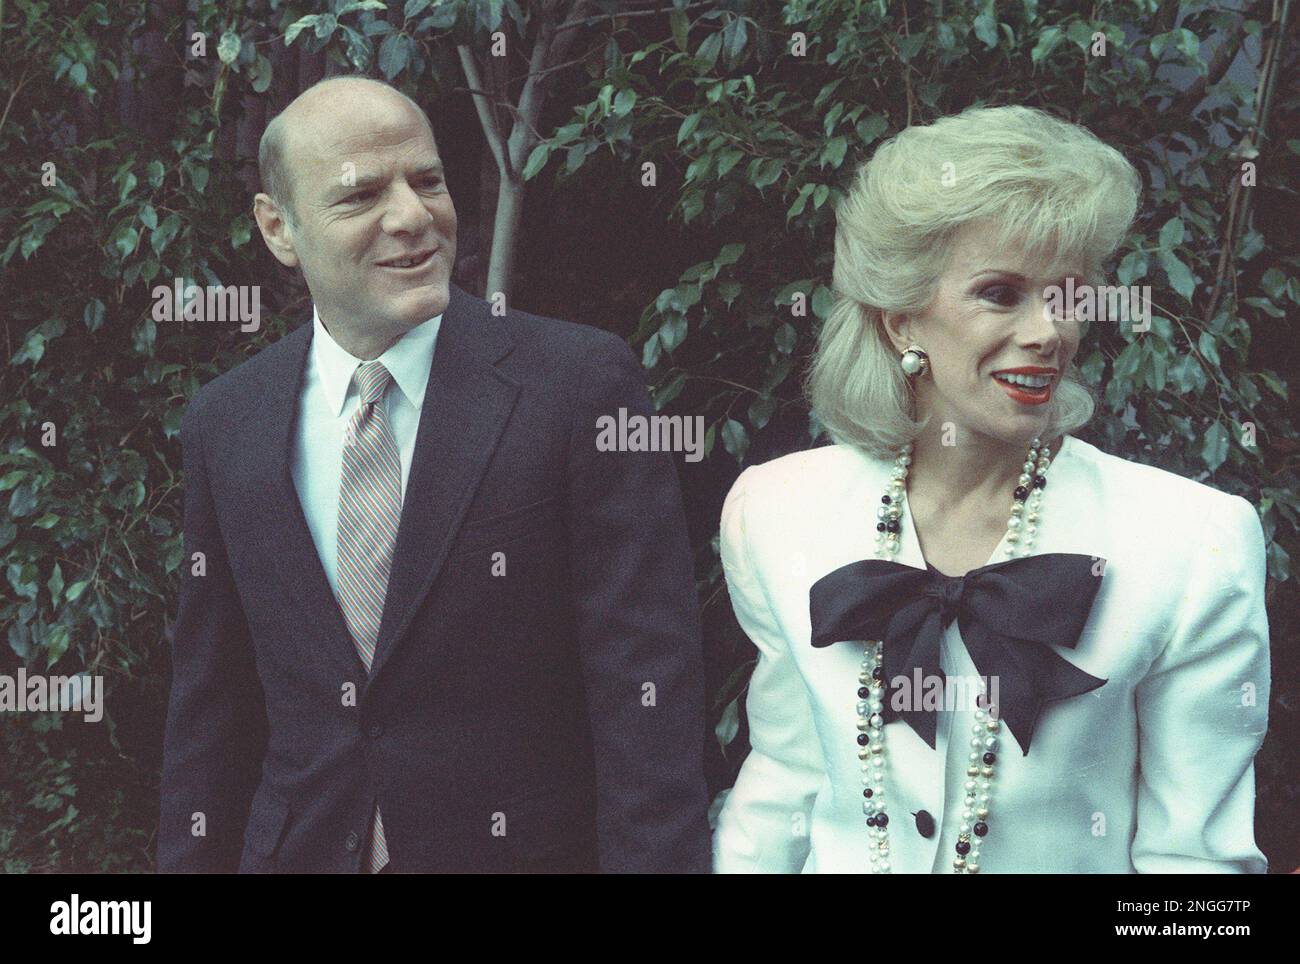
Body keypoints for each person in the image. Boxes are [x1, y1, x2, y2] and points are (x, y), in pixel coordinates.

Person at [157, 76, 710, 873]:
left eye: (428, 181)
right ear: (280, 228)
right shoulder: (226, 423)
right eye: (362, 196)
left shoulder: (578, 386)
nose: (413, 217)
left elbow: (645, 689)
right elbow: (211, 712)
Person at [713, 105, 1270, 873]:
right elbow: (782, 785)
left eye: (1069, 295)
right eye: (1001, 293)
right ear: (902, 317)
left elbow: (1197, 868)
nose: (1050, 331)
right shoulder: (775, 512)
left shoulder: (1191, 540)